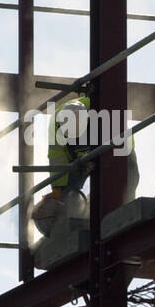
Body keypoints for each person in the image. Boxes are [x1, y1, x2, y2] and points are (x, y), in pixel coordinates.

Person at [31, 93, 139, 238]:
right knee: (67, 194)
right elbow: (57, 158)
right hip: (81, 159)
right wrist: (58, 190)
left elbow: (122, 151)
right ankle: (71, 221)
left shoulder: (104, 114)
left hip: (117, 153)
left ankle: (123, 211)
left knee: (127, 179)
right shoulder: (56, 125)